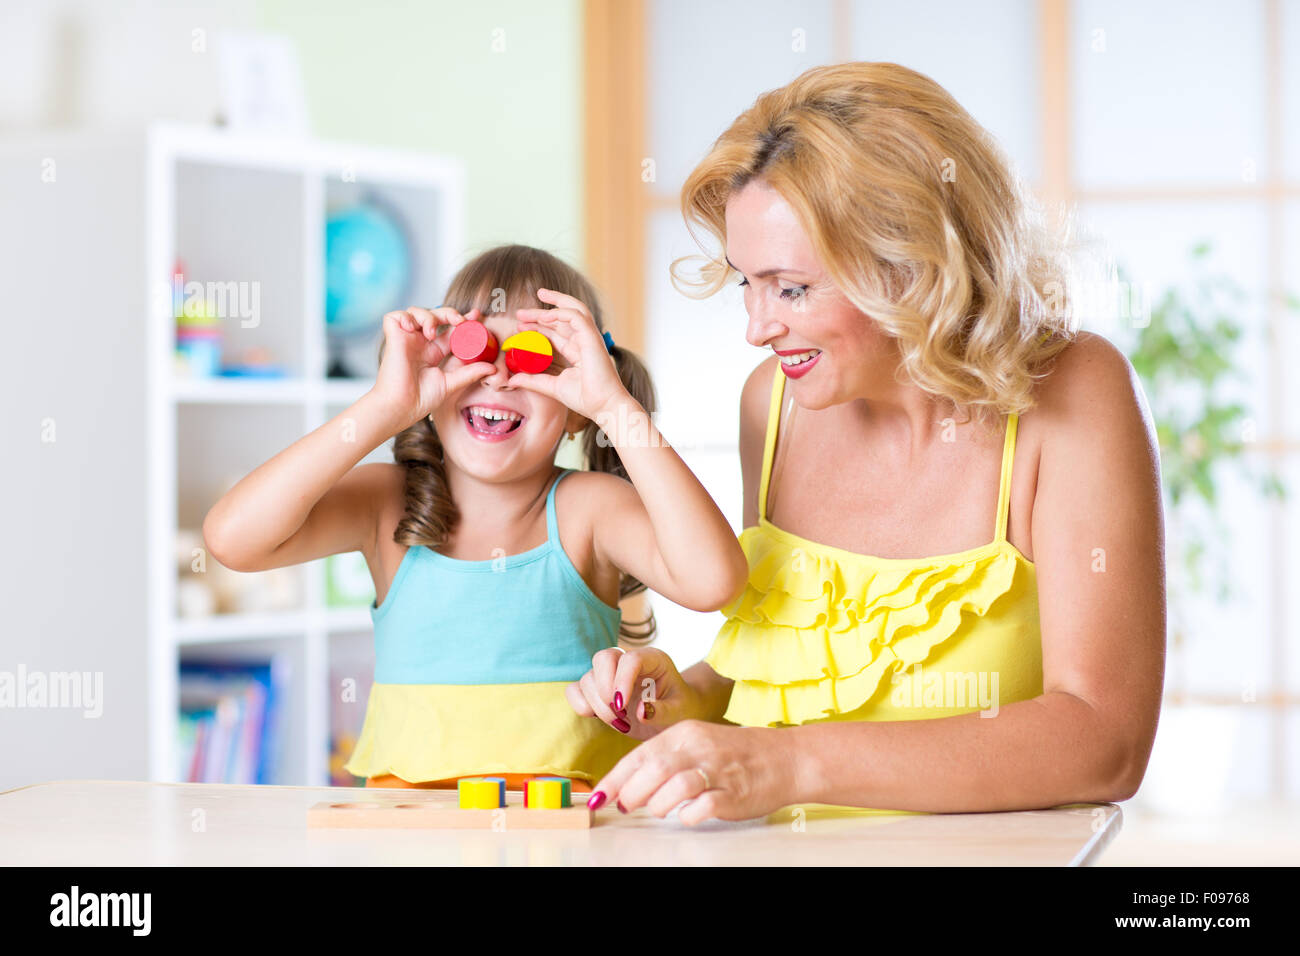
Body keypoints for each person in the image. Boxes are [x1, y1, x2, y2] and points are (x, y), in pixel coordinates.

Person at [569, 62, 1165, 822]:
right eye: (743, 282)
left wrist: (787, 762)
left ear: (912, 264)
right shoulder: (774, 403)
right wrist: (686, 700)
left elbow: (1102, 741)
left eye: (791, 288)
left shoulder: (1073, 390)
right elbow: (787, 672)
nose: (758, 326)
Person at [202, 244, 749, 791]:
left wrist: (613, 406)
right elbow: (233, 540)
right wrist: (385, 406)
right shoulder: (390, 502)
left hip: (565, 834)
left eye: (536, 358)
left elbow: (712, 582)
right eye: (476, 350)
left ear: (577, 410)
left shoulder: (589, 509)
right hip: (408, 833)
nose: (501, 378)